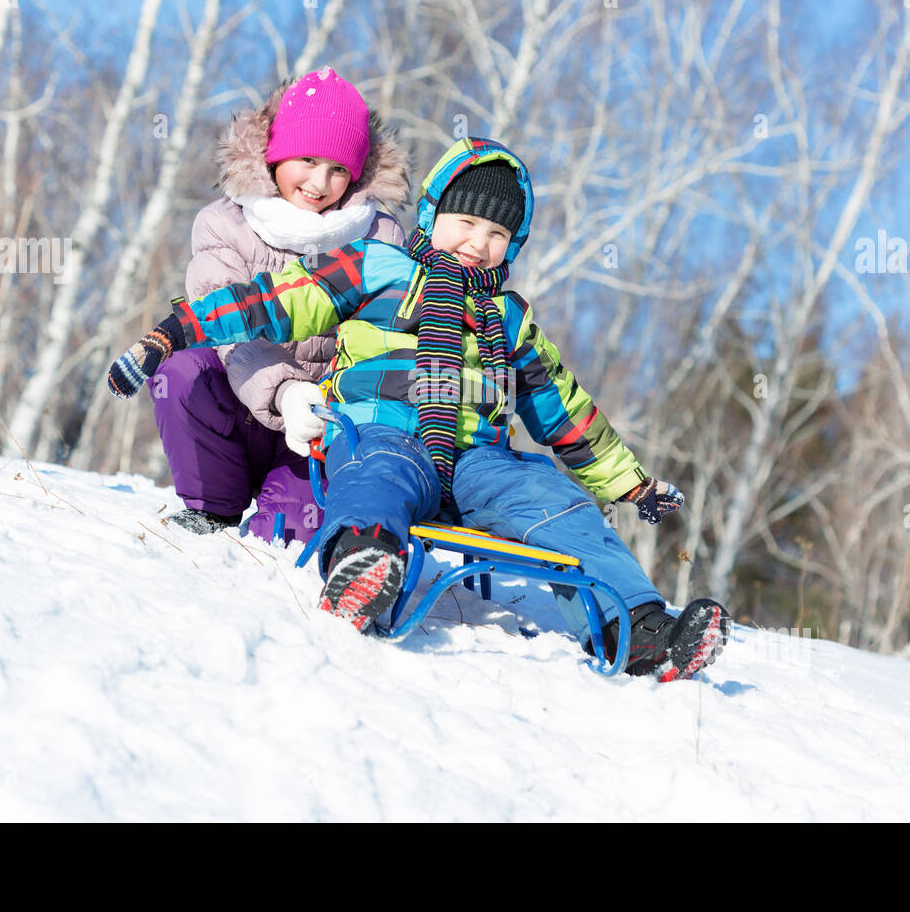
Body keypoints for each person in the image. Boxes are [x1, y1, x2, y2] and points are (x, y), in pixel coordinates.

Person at [109, 137, 728, 682]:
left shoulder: (508, 318)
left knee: (550, 494)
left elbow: (561, 409)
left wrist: (632, 483)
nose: (479, 244)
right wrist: (172, 331)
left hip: (477, 460)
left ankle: (640, 626)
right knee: (379, 470)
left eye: (497, 235)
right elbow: (275, 301)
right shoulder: (379, 268)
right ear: (432, 218)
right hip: (383, 429)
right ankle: (362, 562)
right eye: (466, 224)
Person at [151, 67, 408, 542]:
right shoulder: (224, 224)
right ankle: (214, 506)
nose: (319, 182)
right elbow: (220, 322)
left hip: (321, 427)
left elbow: (382, 341)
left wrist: (327, 405)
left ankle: (291, 507)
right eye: (307, 159)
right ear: (274, 155)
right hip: (244, 404)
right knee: (182, 373)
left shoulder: (380, 237)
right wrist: (285, 392)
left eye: (338, 169)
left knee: (287, 536)